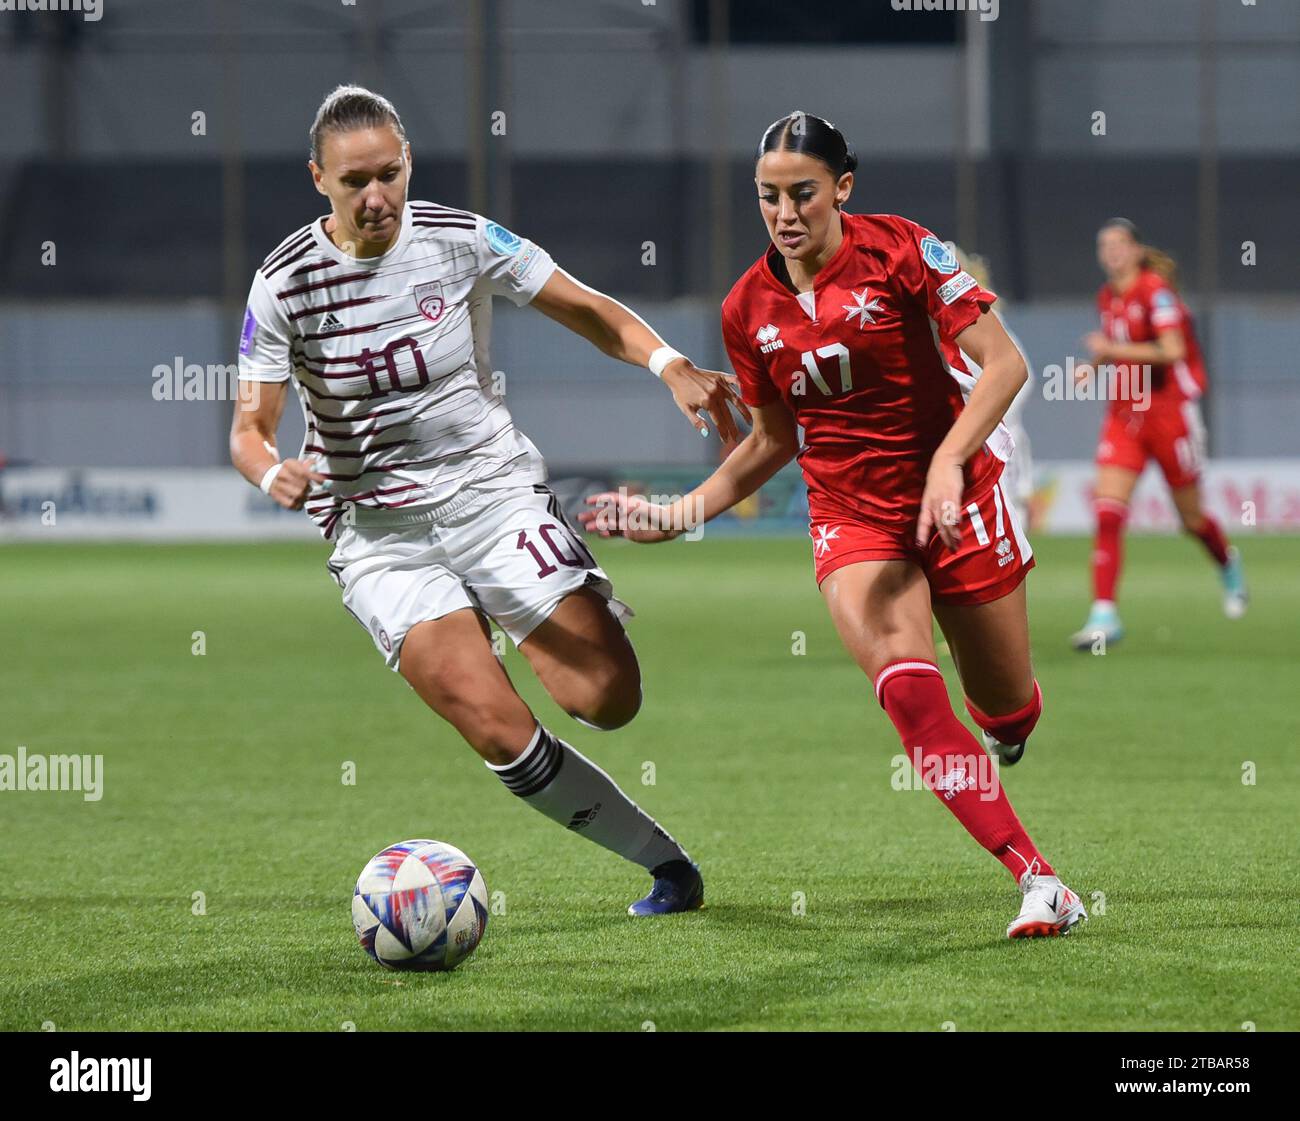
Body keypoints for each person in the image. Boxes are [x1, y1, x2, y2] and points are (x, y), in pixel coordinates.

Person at [230, 85, 748, 916]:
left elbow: (586, 307)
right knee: (500, 729)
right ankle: (667, 866)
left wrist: (668, 364)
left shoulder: (461, 240)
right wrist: (269, 473)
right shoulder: (283, 283)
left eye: (390, 174)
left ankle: (508, 609)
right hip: (382, 536)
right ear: (318, 179)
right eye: (355, 180)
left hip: (490, 497)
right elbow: (249, 426)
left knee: (608, 698)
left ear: (407, 164)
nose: (377, 197)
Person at [583, 112, 1086, 939]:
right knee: (907, 690)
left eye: (802, 194)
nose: (784, 213)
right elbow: (773, 441)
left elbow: (1007, 365)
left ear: (842, 189)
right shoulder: (747, 308)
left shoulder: (903, 251)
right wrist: (676, 515)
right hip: (853, 517)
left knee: (1005, 706)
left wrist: (951, 460)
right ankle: (1039, 881)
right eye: (768, 197)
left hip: (954, 493)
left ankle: (1008, 728)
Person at [1071, 218, 1246, 650]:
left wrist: (1109, 352)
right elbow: (1122, 347)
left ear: (1134, 249)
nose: (1110, 252)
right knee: (1108, 512)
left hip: (1170, 415)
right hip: (1126, 416)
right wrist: (1094, 367)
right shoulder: (1107, 297)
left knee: (1190, 519)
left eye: (1118, 244)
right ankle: (1104, 615)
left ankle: (1227, 561)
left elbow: (1172, 351)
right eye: (1103, 245)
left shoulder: (1156, 291)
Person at [946, 248, 1036, 531]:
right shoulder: (926, 326)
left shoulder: (983, 319)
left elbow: (1021, 375)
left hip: (995, 444)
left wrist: (983, 415)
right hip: (960, 447)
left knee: (1007, 525)